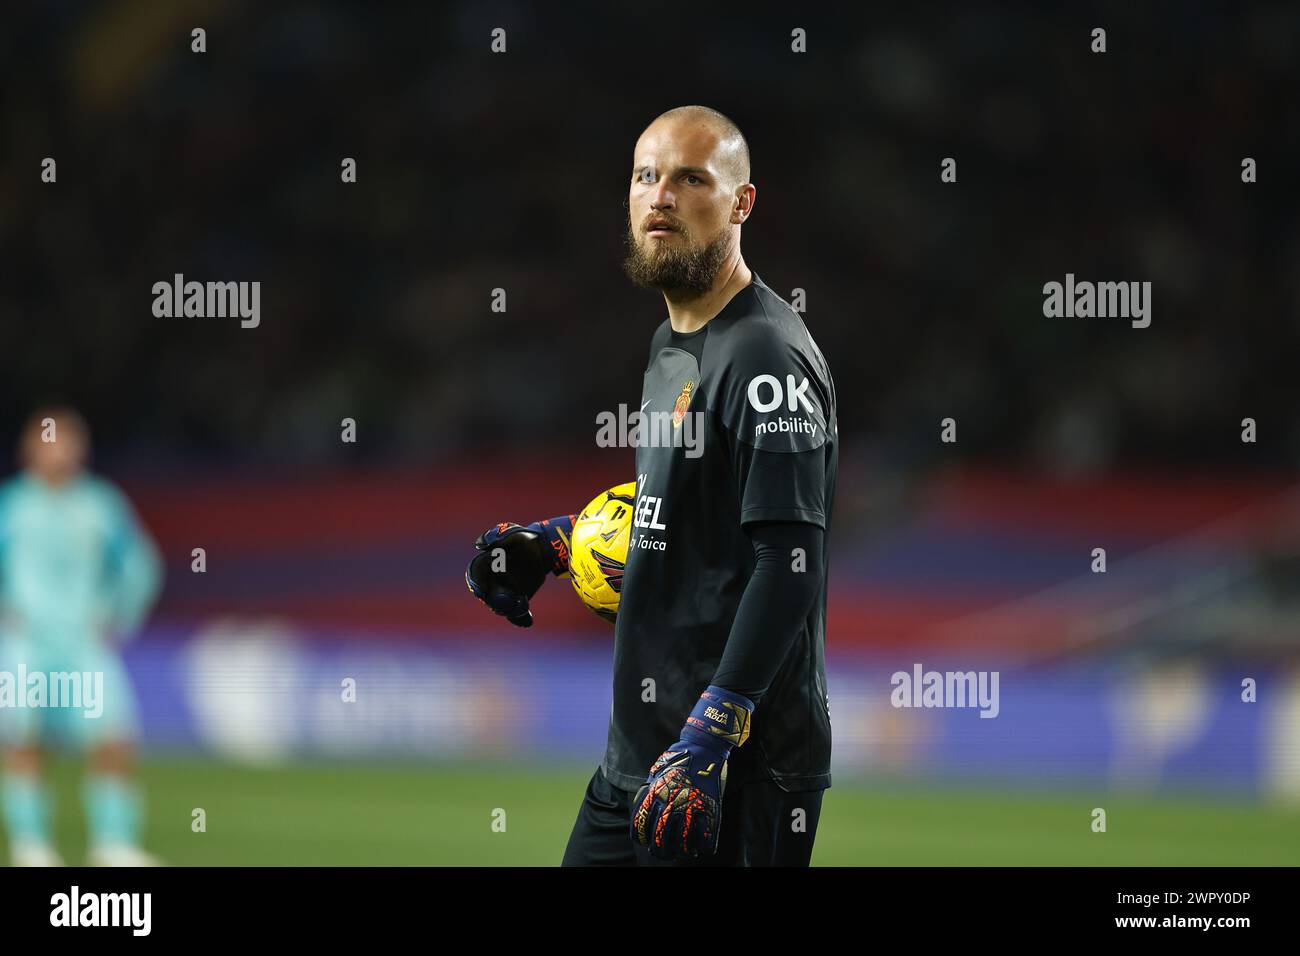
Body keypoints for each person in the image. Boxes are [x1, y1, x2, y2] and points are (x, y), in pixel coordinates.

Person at [467, 106, 837, 866]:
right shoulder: (672, 341)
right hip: (637, 754)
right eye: (646, 176)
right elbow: (679, 510)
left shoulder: (764, 356)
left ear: (741, 203)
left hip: (730, 767)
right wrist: (559, 541)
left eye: (690, 179)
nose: (660, 195)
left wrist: (715, 727)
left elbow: (789, 562)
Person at [0, 407, 163, 866]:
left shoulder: (100, 505)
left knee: (113, 739)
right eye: (51, 441)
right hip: (26, 645)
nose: (61, 450)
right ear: (29, 448)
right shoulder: (12, 508)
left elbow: (140, 566)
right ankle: (32, 846)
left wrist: (117, 615)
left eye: (70, 441)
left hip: (83, 644)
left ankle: (113, 845)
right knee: (23, 742)